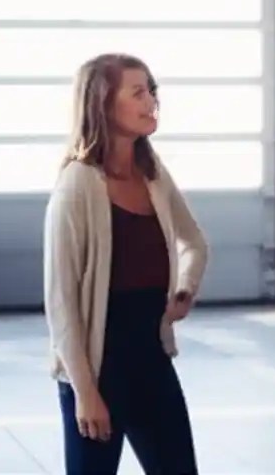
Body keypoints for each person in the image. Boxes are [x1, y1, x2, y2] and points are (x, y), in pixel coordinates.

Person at [44, 53, 209, 475]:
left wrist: (185, 289)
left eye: (152, 90)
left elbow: (193, 242)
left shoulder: (152, 173)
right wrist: (85, 392)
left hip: (152, 362)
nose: (151, 100)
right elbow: (60, 301)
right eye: (138, 92)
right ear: (102, 102)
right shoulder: (77, 184)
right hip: (97, 372)